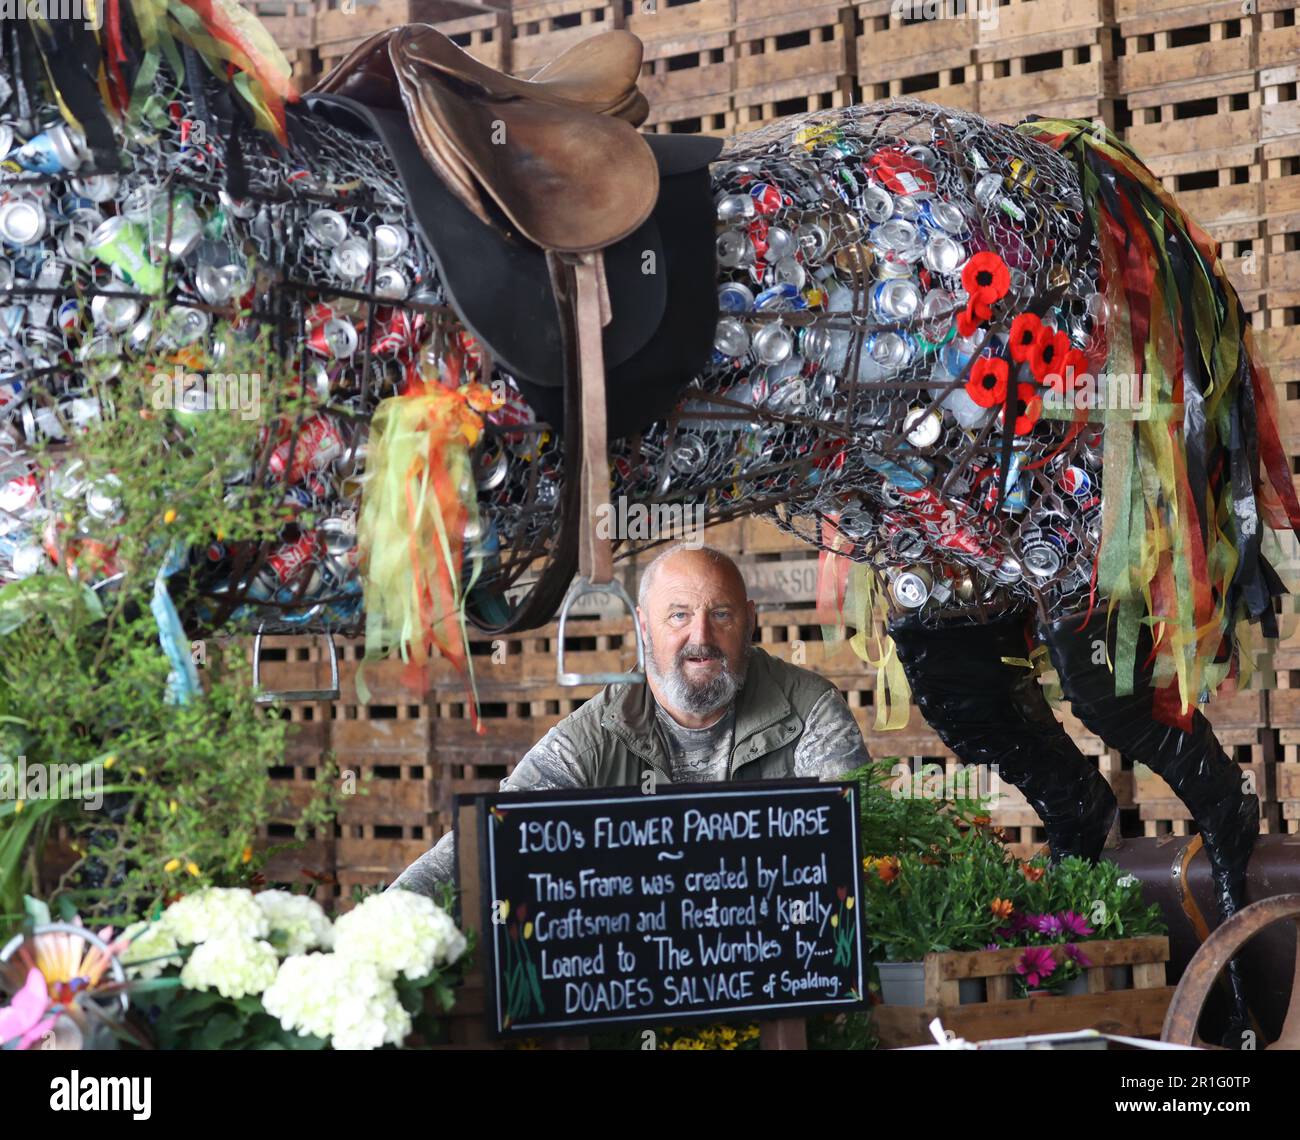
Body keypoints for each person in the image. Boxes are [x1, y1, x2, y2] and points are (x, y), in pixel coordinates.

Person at [388, 543, 872, 896]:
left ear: (750, 620)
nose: (700, 637)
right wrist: (384, 923)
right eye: (678, 615)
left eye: (721, 615)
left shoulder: (808, 710)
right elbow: (490, 839)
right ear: (643, 625)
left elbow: (862, 843)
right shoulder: (595, 734)